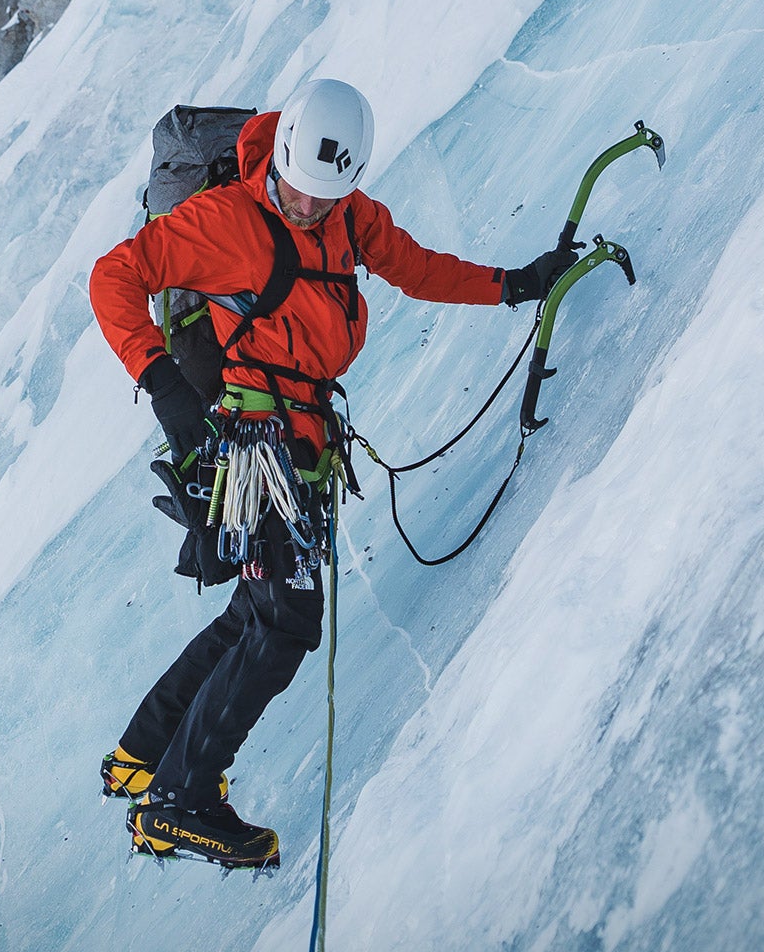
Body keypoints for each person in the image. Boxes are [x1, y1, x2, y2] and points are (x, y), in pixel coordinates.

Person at [87, 78, 577, 869]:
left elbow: (415, 267)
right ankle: (179, 801)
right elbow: (115, 276)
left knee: (257, 611)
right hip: (255, 448)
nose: (309, 208)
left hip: (301, 451)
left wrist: (514, 284)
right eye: (298, 191)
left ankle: (143, 754)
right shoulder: (229, 221)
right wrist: (162, 383)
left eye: (325, 197)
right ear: (279, 157)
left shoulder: (349, 216)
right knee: (285, 621)